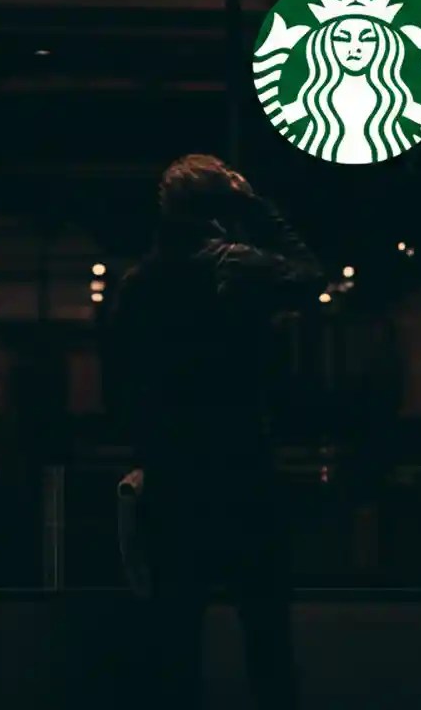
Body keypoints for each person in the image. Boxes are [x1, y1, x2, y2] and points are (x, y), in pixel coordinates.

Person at [104, 154, 325, 709]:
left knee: (175, 632)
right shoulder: (233, 264)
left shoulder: (139, 283)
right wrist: (256, 206)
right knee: (266, 630)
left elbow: (124, 383)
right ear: (222, 207)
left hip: (174, 473)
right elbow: (308, 274)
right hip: (241, 465)